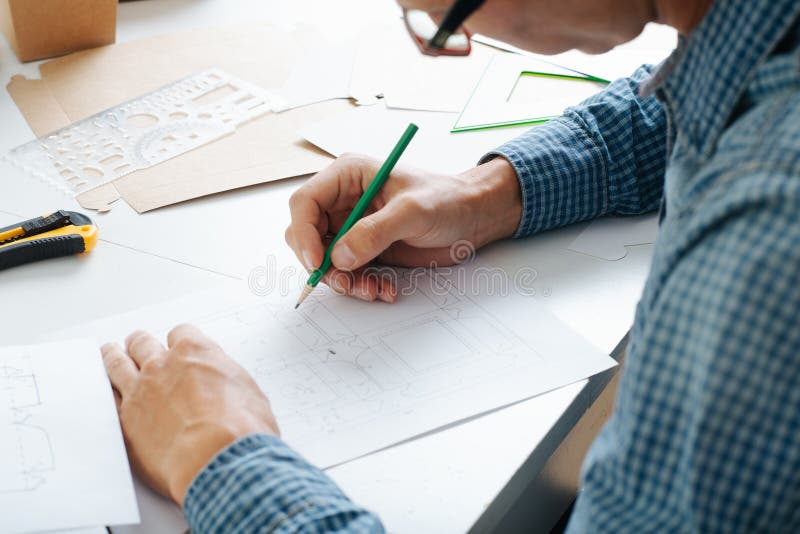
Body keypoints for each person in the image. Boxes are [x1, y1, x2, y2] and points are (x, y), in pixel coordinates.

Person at [101, 0, 800, 531]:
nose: (451, 45)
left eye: (440, 16)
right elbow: (685, 94)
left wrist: (221, 462)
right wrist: (484, 194)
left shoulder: (762, 240)